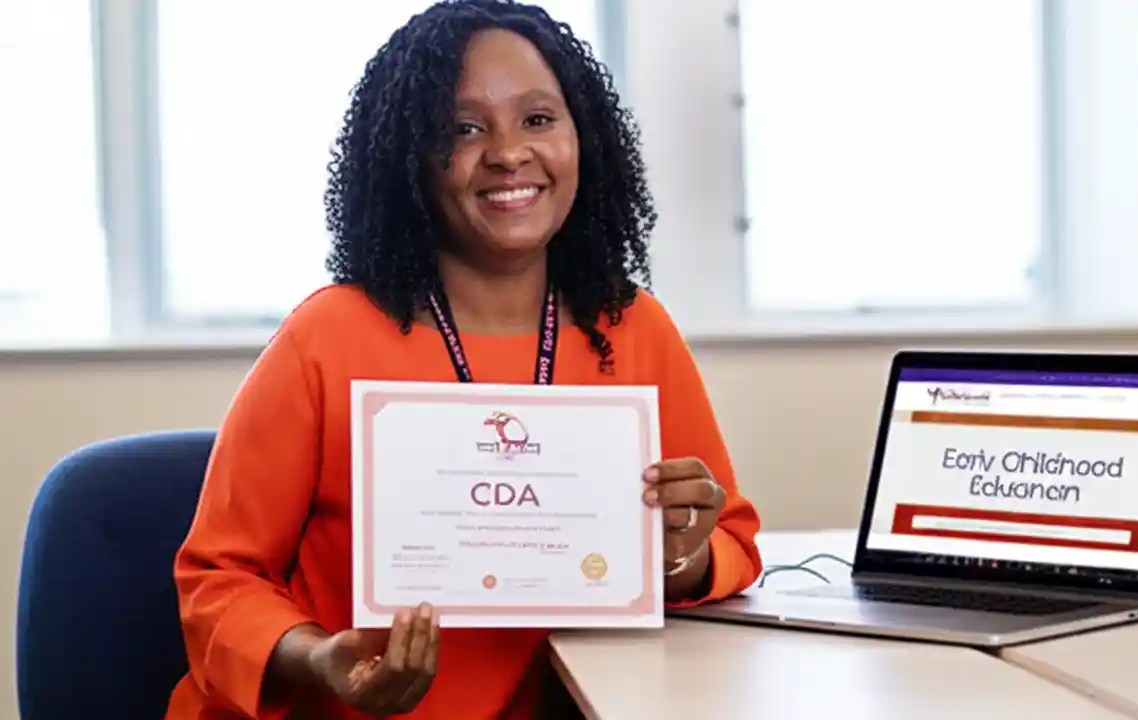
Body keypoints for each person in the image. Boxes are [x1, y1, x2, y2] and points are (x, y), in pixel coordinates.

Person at [165, 1, 763, 718]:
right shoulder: (326, 336)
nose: (509, 152)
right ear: (412, 158)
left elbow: (729, 542)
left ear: (585, 139)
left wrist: (680, 555)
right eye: (464, 129)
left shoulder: (631, 328)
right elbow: (219, 579)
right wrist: (321, 659)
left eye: (538, 119)